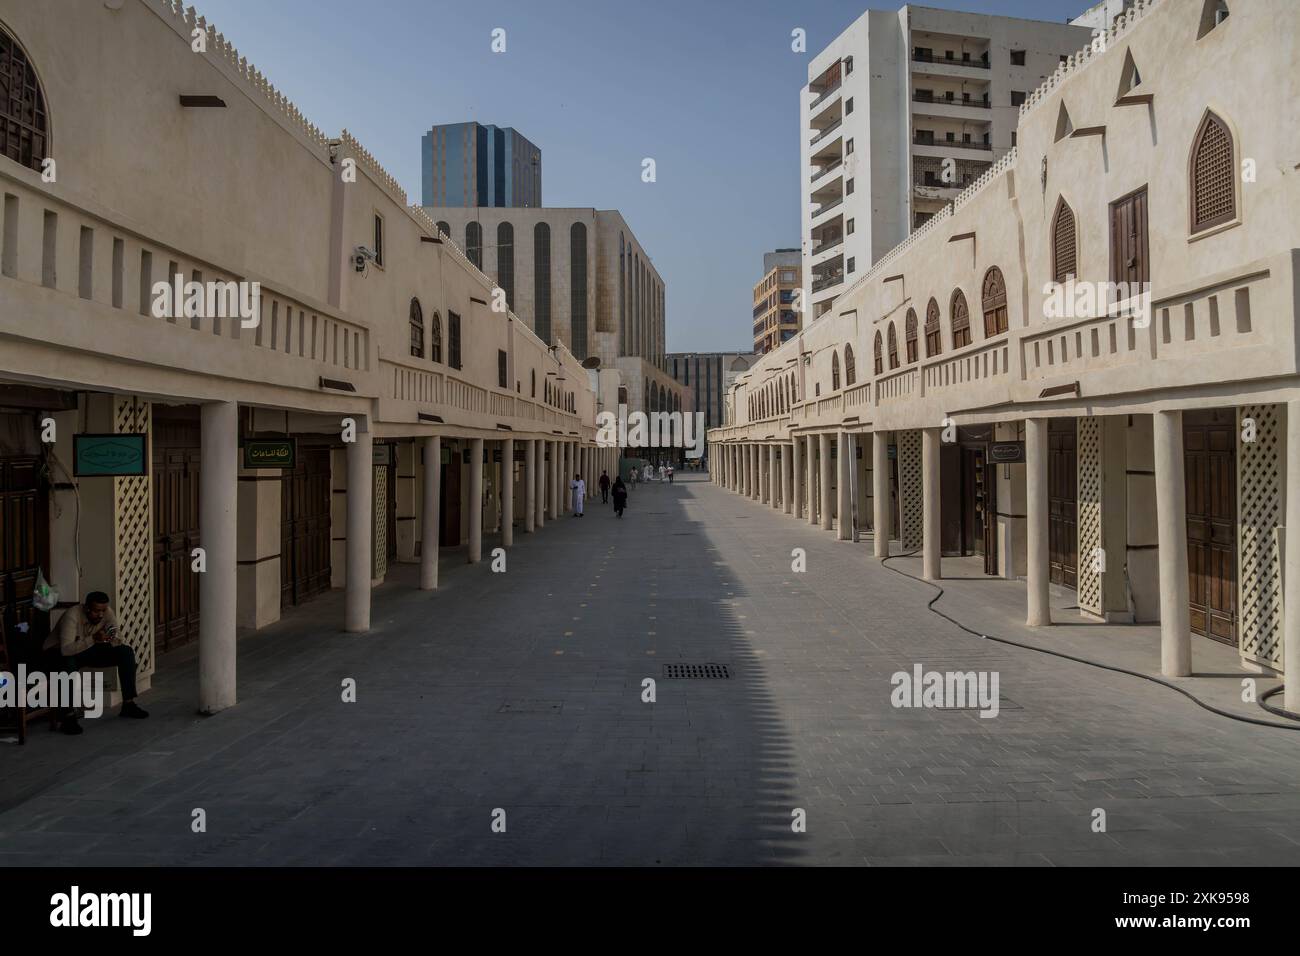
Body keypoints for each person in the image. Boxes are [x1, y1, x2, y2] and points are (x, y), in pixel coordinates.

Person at [43, 591, 149, 733]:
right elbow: (65, 650)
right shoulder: (72, 615)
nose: (100, 615)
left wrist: (111, 638)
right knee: (67, 665)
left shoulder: (106, 612)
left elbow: (117, 637)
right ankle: (67, 716)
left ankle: (128, 704)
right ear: (87, 608)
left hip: (86, 648)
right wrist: (93, 638)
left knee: (126, 652)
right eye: (96, 611)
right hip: (57, 653)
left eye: (103, 610)